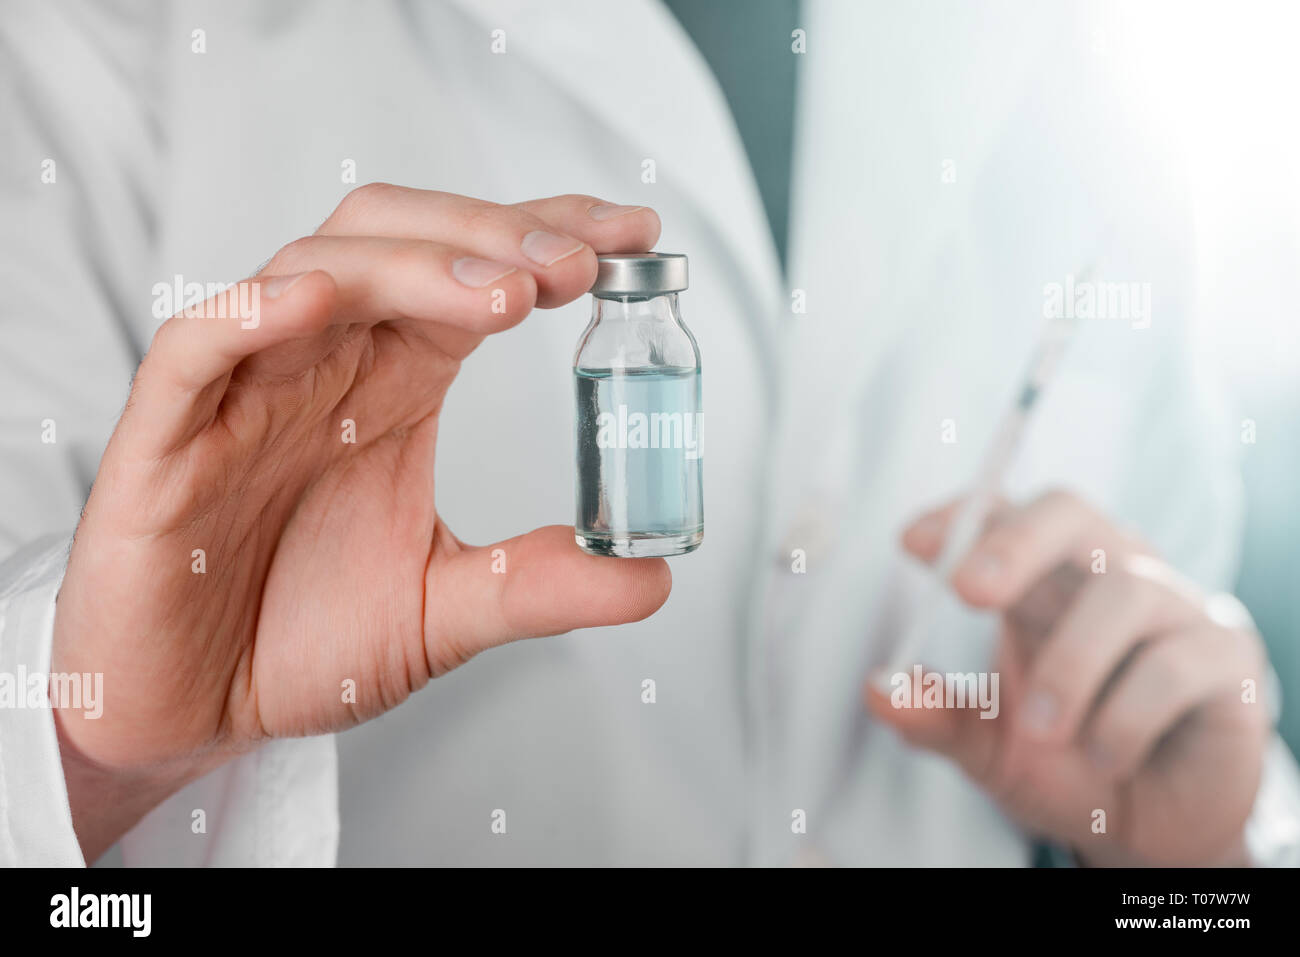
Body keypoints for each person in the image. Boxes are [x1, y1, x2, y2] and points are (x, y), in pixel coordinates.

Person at [2, 0, 1297, 867]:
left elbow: (1192, 660)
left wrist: (1202, 856)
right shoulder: (96, 42)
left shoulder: (1095, 73)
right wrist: (90, 745)